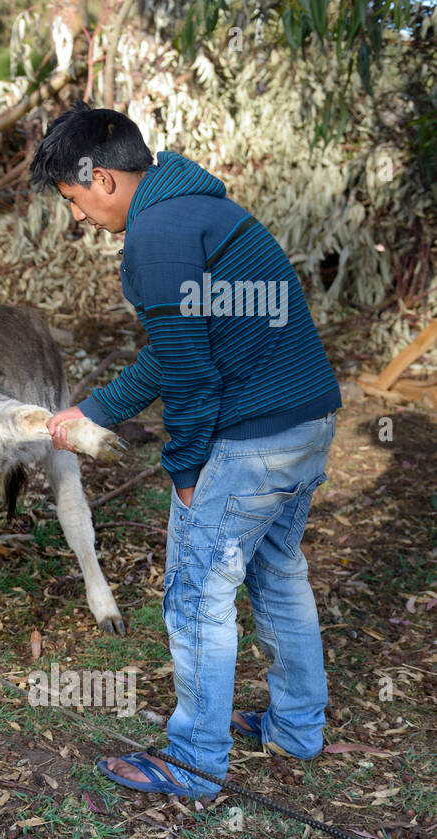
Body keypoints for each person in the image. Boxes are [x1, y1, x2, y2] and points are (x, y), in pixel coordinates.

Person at [29, 102, 341, 799]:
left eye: (74, 200)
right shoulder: (193, 208)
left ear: (103, 179)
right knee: (278, 574)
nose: (77, 218)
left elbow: (193, 378)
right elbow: (179, 353)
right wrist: (98, 407)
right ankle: (296, 728)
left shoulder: (158, 239)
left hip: (253, 438)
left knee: (197, 594)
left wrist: (188, 468)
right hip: (306, 422)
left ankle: (193, 762)